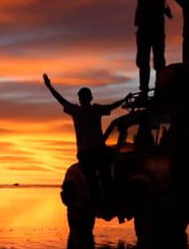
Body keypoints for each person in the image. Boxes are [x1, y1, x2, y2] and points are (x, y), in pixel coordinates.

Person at [105, 0, 186, 93]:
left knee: (151, 62)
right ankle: (152, 90)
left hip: (150, 30)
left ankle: (151, 90)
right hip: (151, 30)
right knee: (152, 62)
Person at [43, 73, 131, 209]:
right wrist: (125, 99)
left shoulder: (76, 111)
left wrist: (49, 86)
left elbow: (60, 99)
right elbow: (112, 106)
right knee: (104, 178)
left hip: (86, 153)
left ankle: (99, 205)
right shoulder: (95, 109)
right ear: (90, 98)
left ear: (81, 98)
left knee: (92, 181)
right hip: (97, 152)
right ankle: (106, 203)